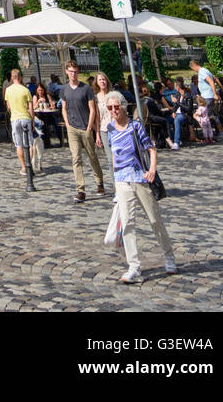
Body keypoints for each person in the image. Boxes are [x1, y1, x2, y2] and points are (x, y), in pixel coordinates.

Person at [105, 91, 176, 284]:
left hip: (140, 178)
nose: (113, 111)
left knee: (154, 220)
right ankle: (134, 267)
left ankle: (168, 256)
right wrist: (115, 185)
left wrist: (151, 170)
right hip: (122, 181)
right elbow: (114, 156)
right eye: (109, 108)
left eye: (116, 107)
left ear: (123, 106)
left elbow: (150, 148)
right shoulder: (110, 129)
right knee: (127, 224)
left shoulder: (135, 126)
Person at [60, 60, 105, 203]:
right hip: (72, 128)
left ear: (78, 72)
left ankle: (99, 182)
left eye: (75, 71)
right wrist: (67, 123)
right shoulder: (64, 89)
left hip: (85, 126)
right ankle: (81, 190)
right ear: (67, 72)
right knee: (76, 158)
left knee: (92, 156)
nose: (73, 74)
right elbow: (64, 107)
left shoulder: (86, 88)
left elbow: (93, 109)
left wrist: (89, 127)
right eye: (71, 71)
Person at [5, 68, 36, 176]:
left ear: (12, 78)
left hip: (15, 119)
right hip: (25, 118)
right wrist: (32, 121)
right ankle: (29, 165)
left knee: (19, 144)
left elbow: (8, 107)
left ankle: (23, 167)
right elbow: (31, 108)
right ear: (20, 77)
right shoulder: (25, 90)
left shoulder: (8, 90)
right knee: (30, 143)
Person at [93, 71, 113, 179]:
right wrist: (97, 135)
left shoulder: (113, 95)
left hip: (115, 128)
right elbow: (97, 118)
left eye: (104, 79)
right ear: (97, 82)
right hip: (104, 129)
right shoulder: (96, 98)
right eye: (100, 79)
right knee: (110, 160)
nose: (102, 81)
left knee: (119, 157)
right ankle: (116, 187)